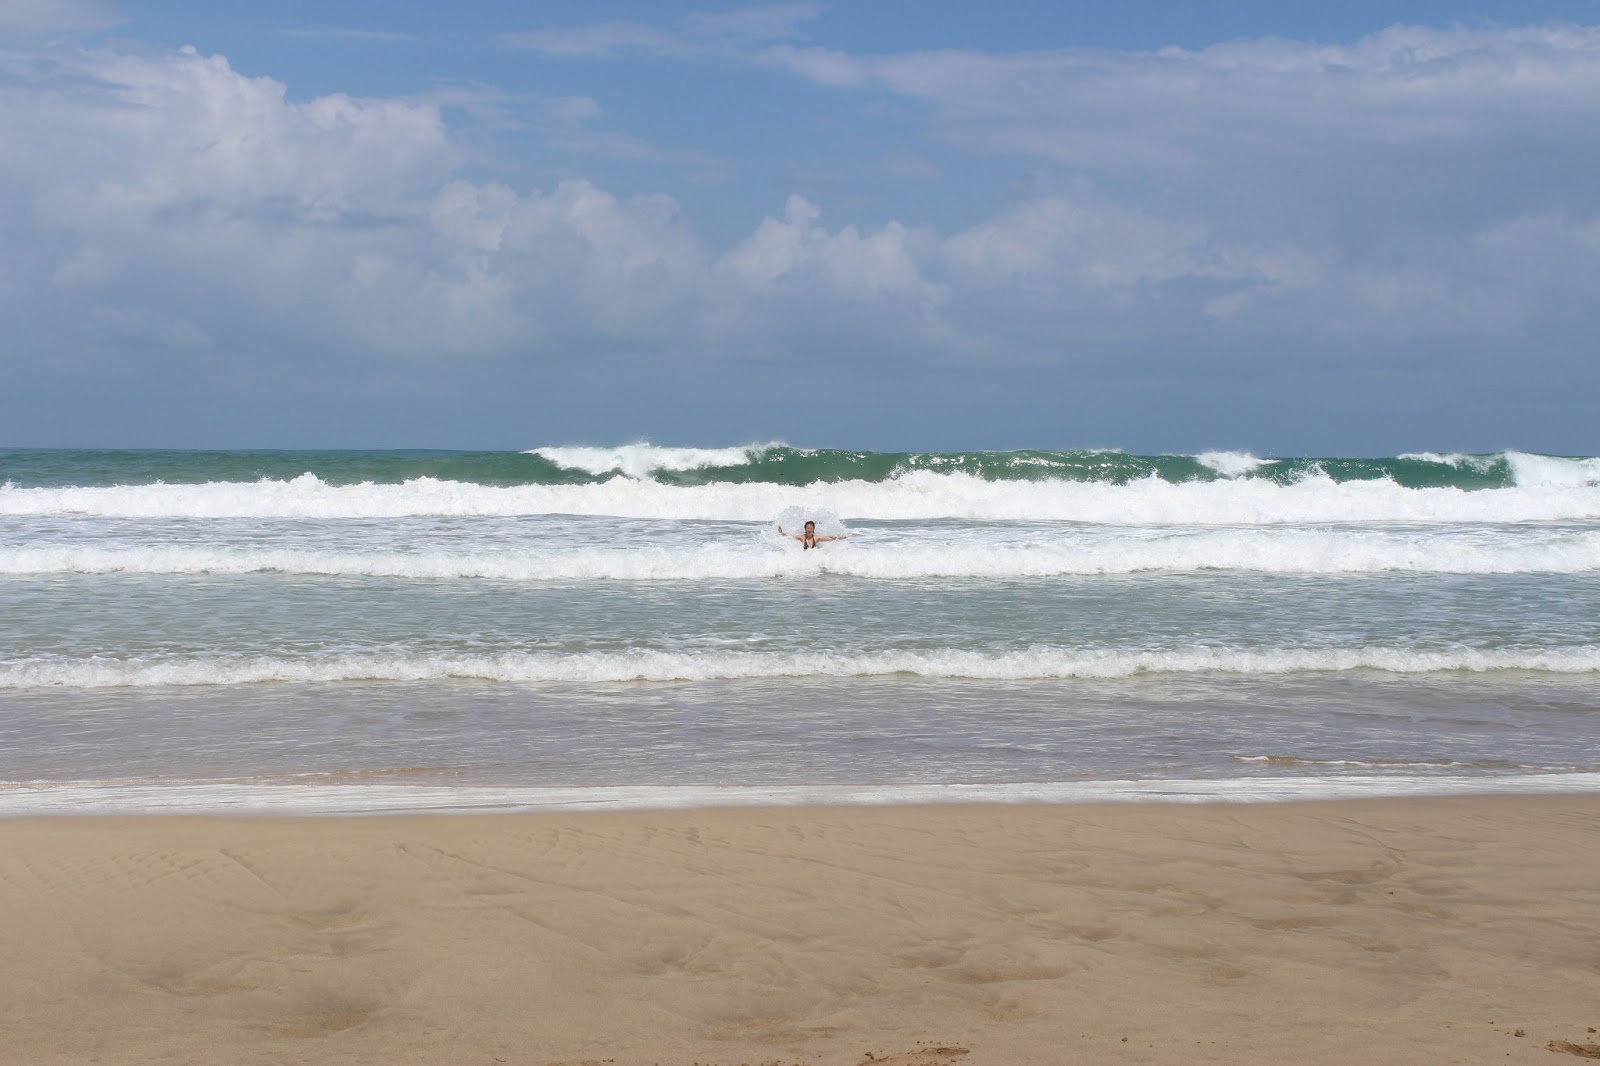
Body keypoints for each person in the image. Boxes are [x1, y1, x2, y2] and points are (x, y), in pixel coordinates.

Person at [778, 520, 846, 549]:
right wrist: (781, 532)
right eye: (808, 528)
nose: (809, 530)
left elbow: (830, 538)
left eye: (811, 528)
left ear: (813, 529)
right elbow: (790, 536)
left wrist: (842, 538)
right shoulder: (801, 537)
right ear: (805, 529)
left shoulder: (816, 538)